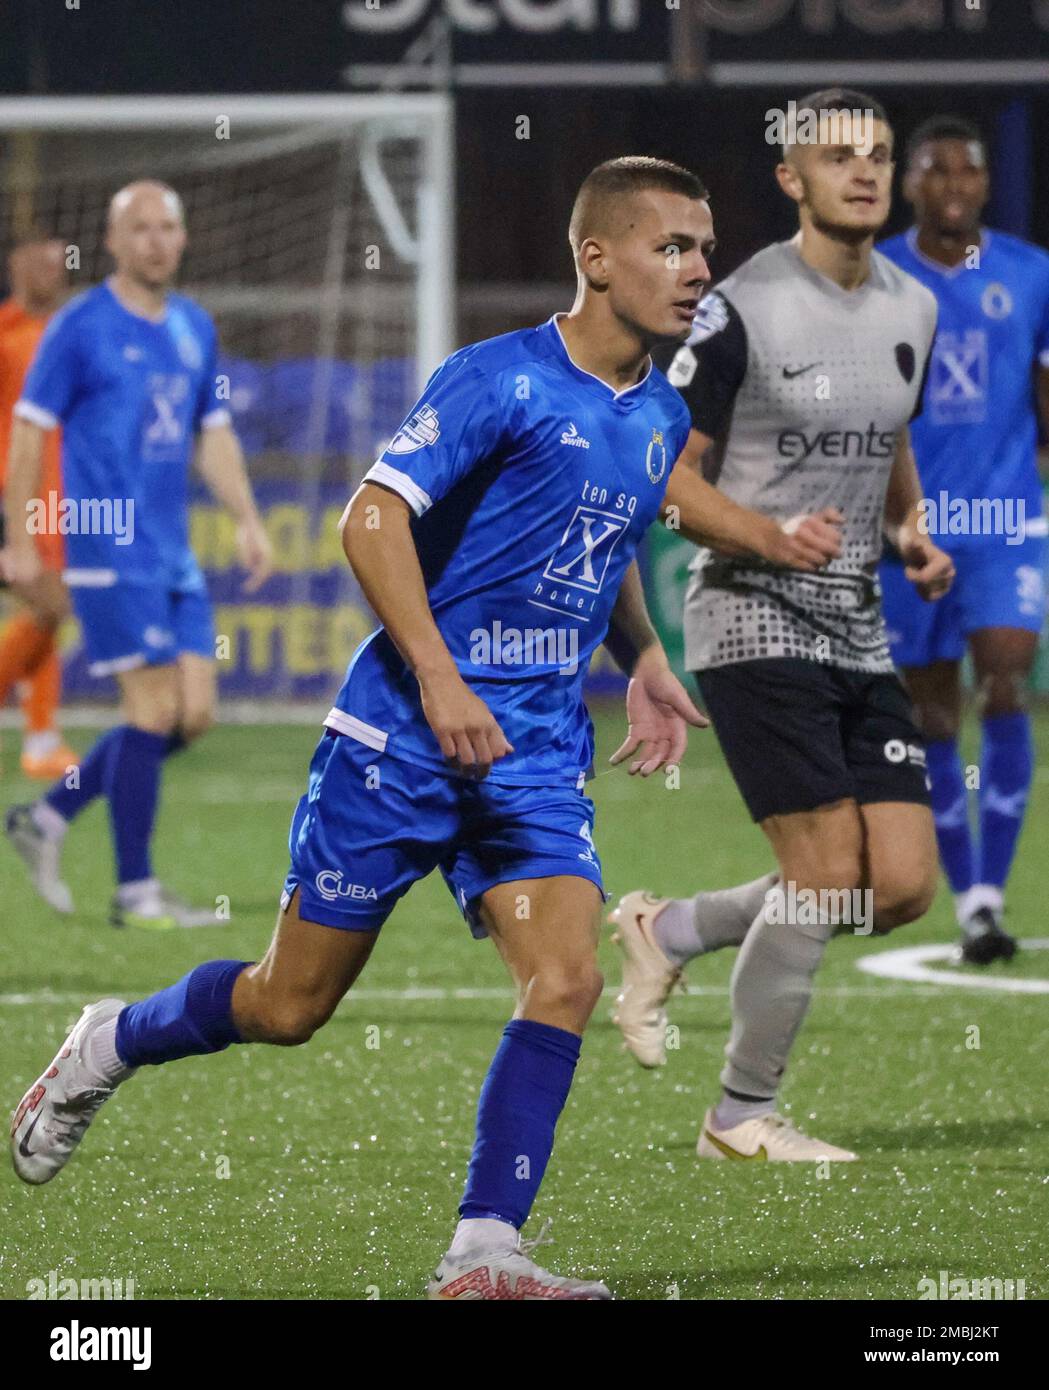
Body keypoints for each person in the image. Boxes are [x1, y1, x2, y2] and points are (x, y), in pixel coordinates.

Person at [10, 157, 839, 1299]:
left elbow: (604, 538)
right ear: (595, 255)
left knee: (564, 978)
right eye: (673, 246)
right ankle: (109, 1041)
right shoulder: (495, 379)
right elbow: (369, 521)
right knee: (286, 1004)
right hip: (398, 741)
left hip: (533, 753)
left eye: (703, 249)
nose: (698, 269)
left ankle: (482, 1250)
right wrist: (442, 681)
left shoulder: (655, 412)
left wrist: (640, 653)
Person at [611, 91, 955, 1162]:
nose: (863, 172)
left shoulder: (912, 304)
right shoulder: (738, 308)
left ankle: (666, 930)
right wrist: (764, 533)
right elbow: (664, 478)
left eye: (878, 155)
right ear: (789, 179)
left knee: (893, 885)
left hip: (855, 623)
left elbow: (888, 437)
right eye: (837, 157)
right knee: (817, 878)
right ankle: (738, 1114)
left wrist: (908, 529)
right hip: (748, 618)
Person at [2, 181, 272, 928]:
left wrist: (247, 517)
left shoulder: (192, 326)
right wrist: (23, 537)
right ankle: (136, 890)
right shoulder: (80, 327)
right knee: (150, 707)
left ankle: (48, 818)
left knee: (193, 716)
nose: (155, 240)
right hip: (103, 534)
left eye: (167, 227)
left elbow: (210, 432)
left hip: (169, 545)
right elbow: (29, 431)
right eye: (139, 228)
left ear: (183, 239)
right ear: (113, 243)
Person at [878, 116, 1049, 964]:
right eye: (934, 171)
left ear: (983, 184)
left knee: (1007, 681)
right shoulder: (878, 277)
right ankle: (963, 893)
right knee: (930, 713)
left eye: (966, 172)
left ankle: (987, 897)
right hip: (910, 531)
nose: (952, 184)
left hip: (1007, 523)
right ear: (911, 185)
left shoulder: (1030, 273)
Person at [0, 233, 79, 779]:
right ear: (16, 265)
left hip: (57, 493)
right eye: (40, 260)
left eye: (59, 261)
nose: (51, 270)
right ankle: (41, 737)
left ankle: (41, 739)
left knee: (48, 611)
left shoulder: (73, 332)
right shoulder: (7, 332)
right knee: (49, 607)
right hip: (13, 491)